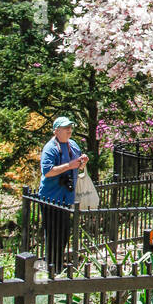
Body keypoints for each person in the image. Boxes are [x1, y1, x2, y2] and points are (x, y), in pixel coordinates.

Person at [38, 116, 87, 275]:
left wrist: (82, 163)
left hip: (66, 198)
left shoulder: (73, 145)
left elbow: (77, 167)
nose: (69, 130)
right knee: (53, 234)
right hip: (51, 198)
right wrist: (69, 166)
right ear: (56, 131)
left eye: (70, 127)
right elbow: (48, 171)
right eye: (65, 128)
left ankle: (58, 264)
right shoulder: (50, 148)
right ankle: (52, 267)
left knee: (64, 232)